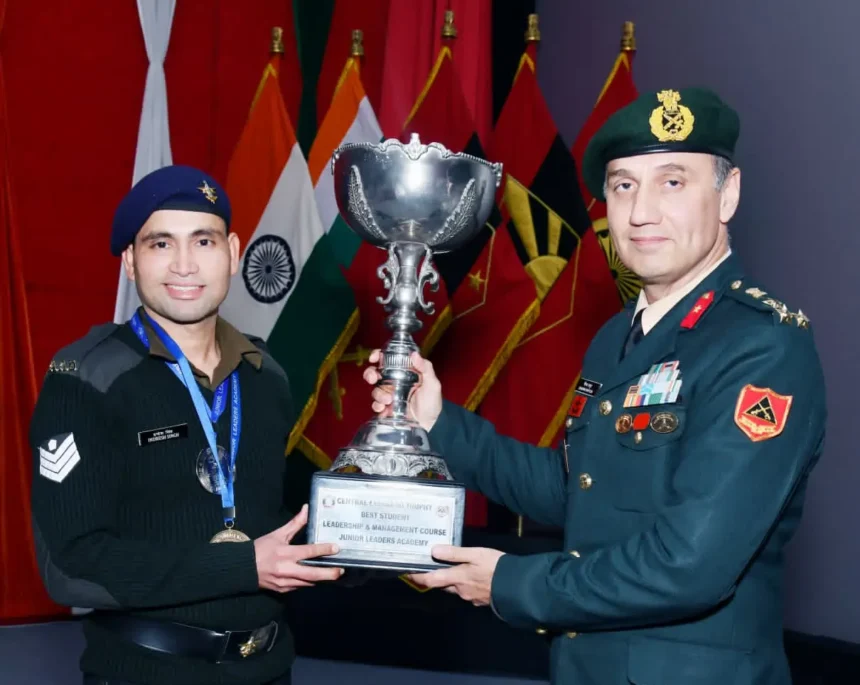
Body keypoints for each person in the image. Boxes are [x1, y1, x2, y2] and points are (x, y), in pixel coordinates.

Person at [365, 88, 826, 684]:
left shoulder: (761, 346)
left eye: (673, 182)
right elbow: (577, 488)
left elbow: (691, 564)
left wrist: (510, 582)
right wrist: (437, 422)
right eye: (622, 185)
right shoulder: (618, 334)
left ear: (728, 193)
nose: (641, 212)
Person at [29, 165, 343, 685]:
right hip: (146, 673)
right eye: (159, 244)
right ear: (130, 262)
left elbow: (272, 521)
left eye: (203, 240)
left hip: (270, 667)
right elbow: (71, 568)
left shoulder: (268, 378)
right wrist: (242, 566)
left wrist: (356, 542)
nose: (183, 264)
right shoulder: (88, 378)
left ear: (235, 252)